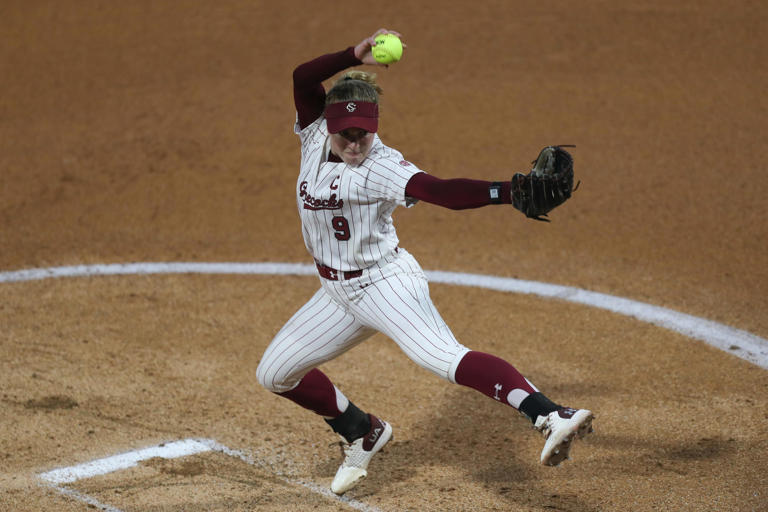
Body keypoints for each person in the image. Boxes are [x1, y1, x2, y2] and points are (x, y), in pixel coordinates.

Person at [256, 29, 594, 495]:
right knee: (275, 373)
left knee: (441, 357)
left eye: (364, 133)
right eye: (346, 134)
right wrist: (354, 53)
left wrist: (506, 191)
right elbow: (302, 75)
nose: (355, 143)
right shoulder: (313, 133)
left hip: (382, 283)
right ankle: (362, 430)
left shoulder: (382, 165)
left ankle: (551, 413)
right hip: (336, 293)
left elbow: (441, 192)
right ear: (327, 125)